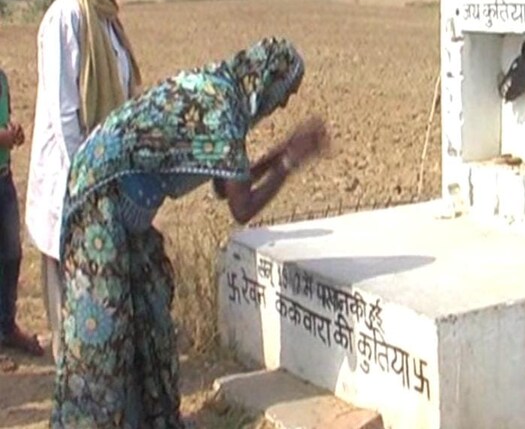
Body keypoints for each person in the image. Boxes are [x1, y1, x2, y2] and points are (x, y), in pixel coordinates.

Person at [51, 37, 329, 428]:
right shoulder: (221, 111)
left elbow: (225, 184)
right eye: (284, 95)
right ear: (267, 83)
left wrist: (281, 149)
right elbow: (241, 207)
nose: (281, 105)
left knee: (149, 315)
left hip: (125, 206)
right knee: (103, 332)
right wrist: (288, 161)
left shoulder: (222, 94)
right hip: (100, 199)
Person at [25, 0, 141, 360]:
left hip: (103, 174)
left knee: (95, 288)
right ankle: (70, 381)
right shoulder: (67, 16)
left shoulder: (106, 20)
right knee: (68, 290)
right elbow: (64, 110)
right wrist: (84, 177)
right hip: (72, 176)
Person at [0, 65, 45, 358]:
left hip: (3, 178)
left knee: (11, 254)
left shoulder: (2, 78)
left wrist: (14, 133)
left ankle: (5, 326)